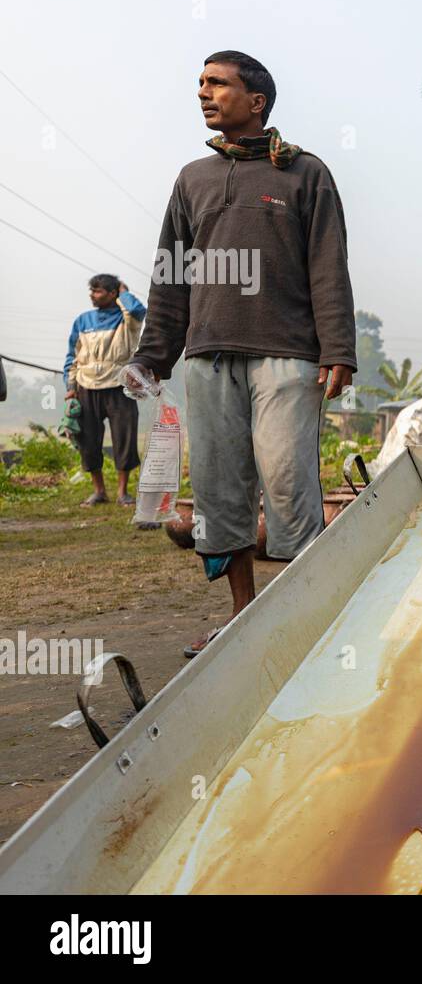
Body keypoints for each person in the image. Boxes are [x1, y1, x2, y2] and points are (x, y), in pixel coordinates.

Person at [129, 50, 356, 657]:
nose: (205, 93)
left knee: (288, 487)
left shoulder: (306, 174)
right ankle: (242, 616)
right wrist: (153, 357)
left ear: (256, 102)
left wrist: (337, 349)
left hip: (286, 356)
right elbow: (170, 274)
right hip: (206, 357)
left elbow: (328, 266)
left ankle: (301, 622)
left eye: (218, 84)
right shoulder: (193, 179)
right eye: (201, 83)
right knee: (219, 493)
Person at [63, 274, 145, 506]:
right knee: (88, 440)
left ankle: (122, 493)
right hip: (86, 388)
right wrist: (70, 387)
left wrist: (125, 292)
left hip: (120, 387)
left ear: (113, 294)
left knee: (124, 439)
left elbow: (139, 310)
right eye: (92, 290)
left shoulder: (127, 319)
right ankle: (99, 491)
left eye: (98, 291)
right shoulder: (82, 321)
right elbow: (72, 356)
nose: (93, 295)